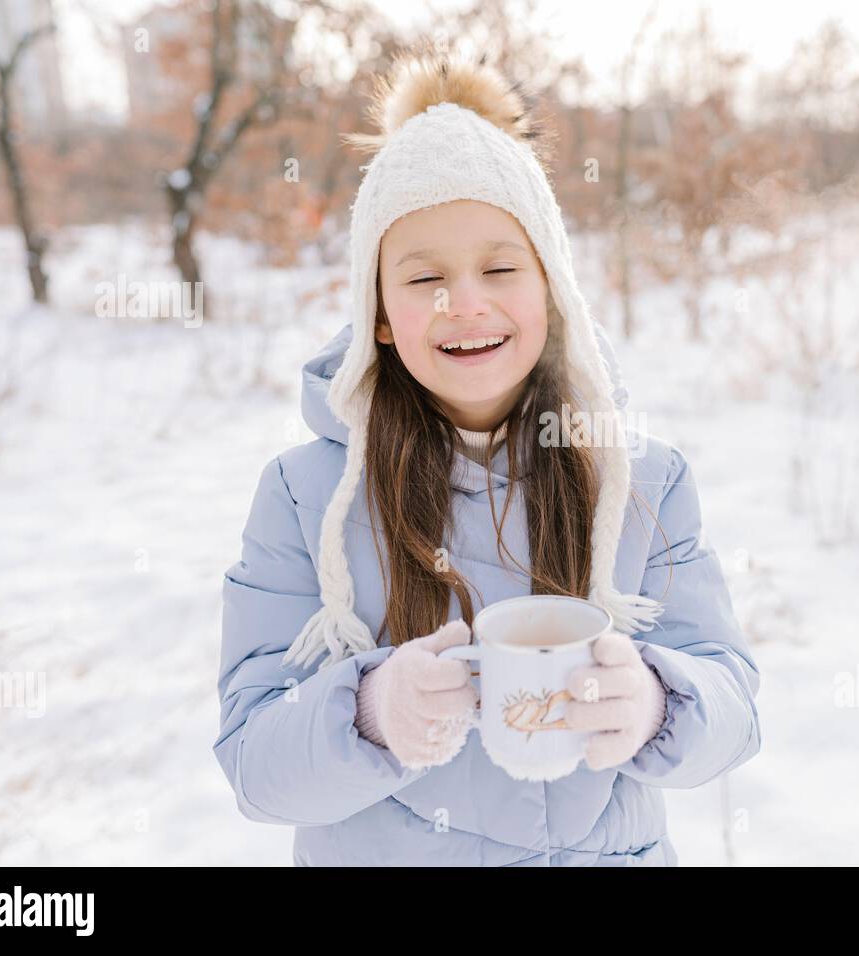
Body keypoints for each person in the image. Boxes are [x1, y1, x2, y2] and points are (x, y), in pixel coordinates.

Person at [213, 46, 761, 866]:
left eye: (501, 267)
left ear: (552, 289)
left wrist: (655, 705)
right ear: (380, 317)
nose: (463, 302)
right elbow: (255, 766)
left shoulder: (644, 480)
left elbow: (736, 710)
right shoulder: (305, 495)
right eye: (423, 275)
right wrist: (369, 715)